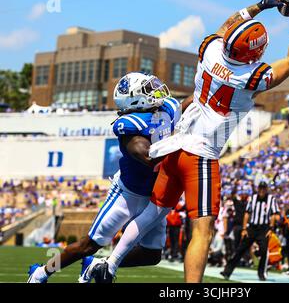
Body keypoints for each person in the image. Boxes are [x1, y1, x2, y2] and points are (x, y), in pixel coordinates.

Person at [94, 0, 289, 283]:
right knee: (203, 231)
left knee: (155, 211)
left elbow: (228, 23)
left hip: (175, 145)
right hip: (202, 155)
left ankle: (110, 263)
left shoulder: (209, 49)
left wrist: (262, 4)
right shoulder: (251, 77)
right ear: (256, 52)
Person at [27, 72, 184, 283]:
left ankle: (98, 263)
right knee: (87, 245)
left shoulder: (167, 107)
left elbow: (190, 104)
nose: (155, 90)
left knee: (151, 255)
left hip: (153, 195)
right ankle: (40, 273)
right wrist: (183, 143)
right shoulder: (129, 125)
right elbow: (148, 156)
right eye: (147, 89)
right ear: (136, 100)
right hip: (127, 194)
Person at [221, 182, 279, 280]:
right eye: (260, 188)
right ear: (258, 189)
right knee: (240, 249)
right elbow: (247, 213)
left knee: (264, 251)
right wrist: (244, 229)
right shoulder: (253, 198)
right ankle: (227, 271)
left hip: (264, 228)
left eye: (263, 188)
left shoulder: (271, 199)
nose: (261, 190)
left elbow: (274, 214)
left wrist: (271, 228)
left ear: (266, 189)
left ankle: (262, 274)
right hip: (252, 227)